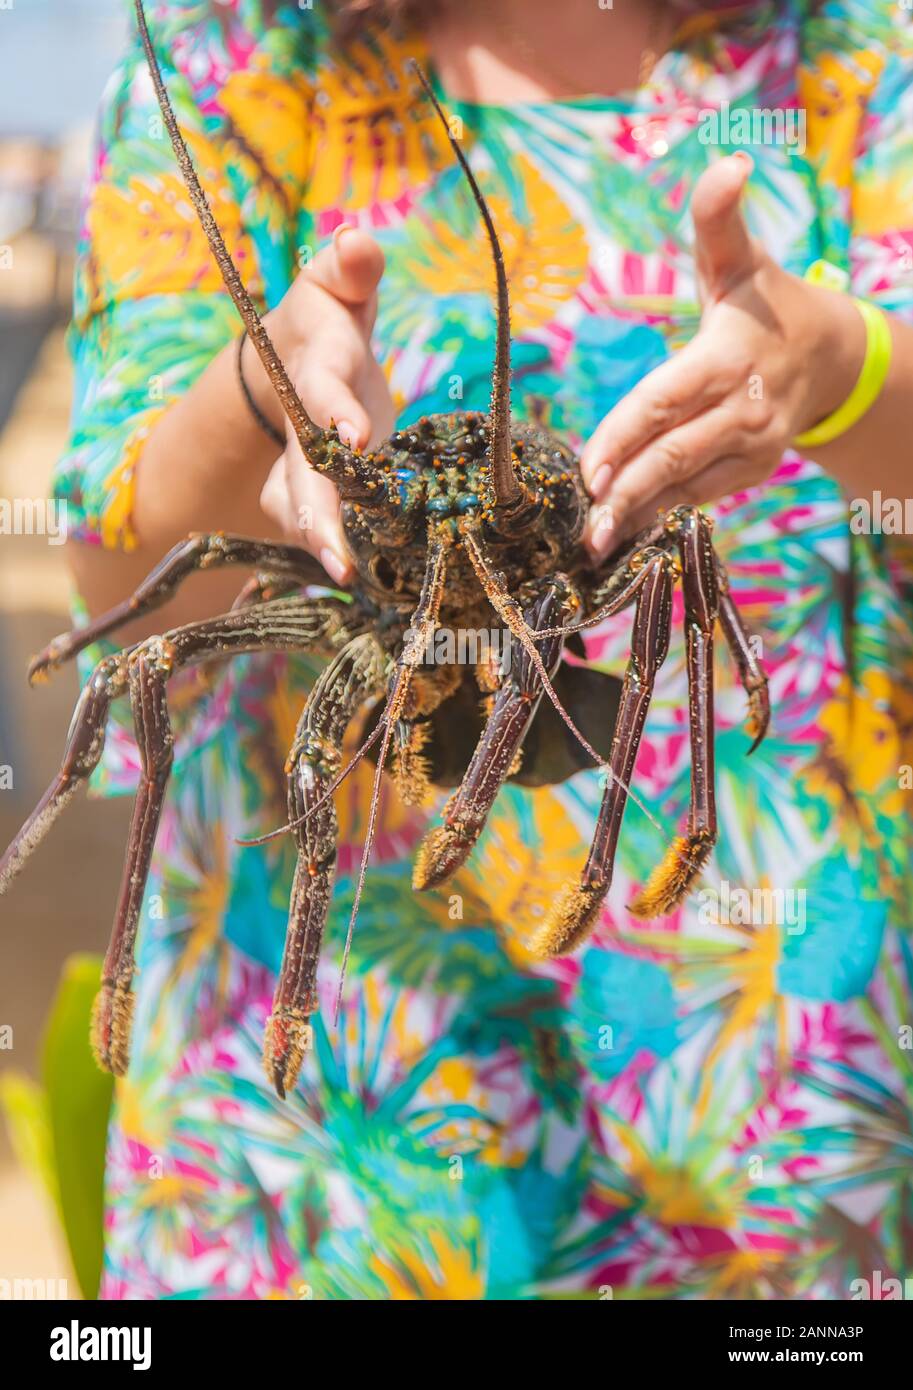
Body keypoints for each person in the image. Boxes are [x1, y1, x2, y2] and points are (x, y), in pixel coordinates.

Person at [53, 0, 913, 1298]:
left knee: (675, 559)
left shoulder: (865, 50)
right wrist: (262, 394)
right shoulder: (233, 50)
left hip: (766, 1103)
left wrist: (839, 370)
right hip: (309, 1133)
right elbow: (123, 589)